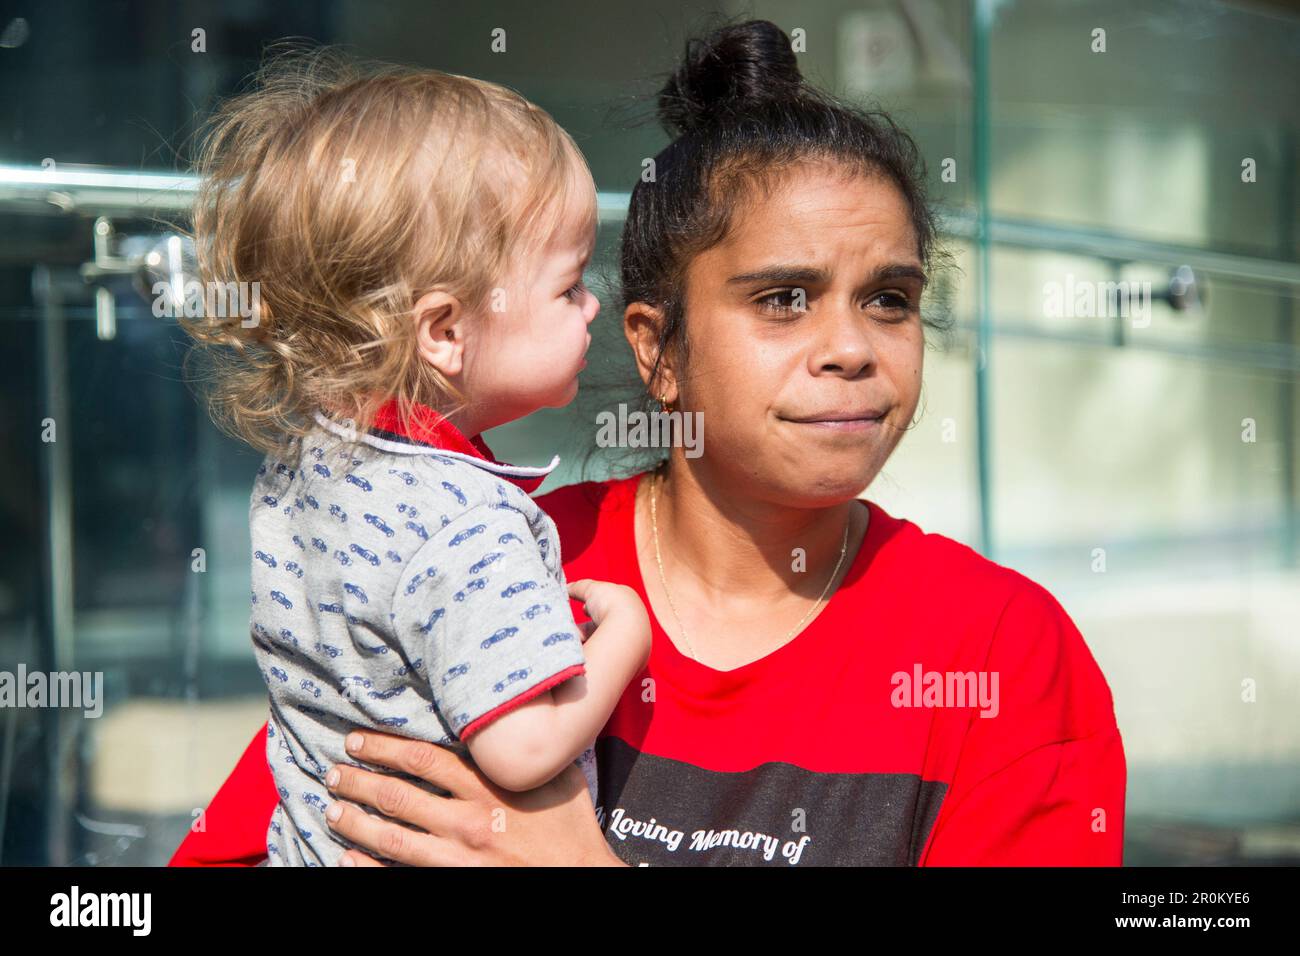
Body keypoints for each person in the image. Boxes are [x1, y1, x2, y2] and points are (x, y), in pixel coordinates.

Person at [172, 20, 1125, 868]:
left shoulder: (1001, 653)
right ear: (655, 349)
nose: (851, 349)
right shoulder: (489, 565)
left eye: (891, 299)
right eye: (782, 299)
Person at [177, 47, 650, 865]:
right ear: (444, 332)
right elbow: (523, 746)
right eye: (569, 286)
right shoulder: (467, 521)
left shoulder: (303, 463)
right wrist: (626, 641)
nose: (594, 305)